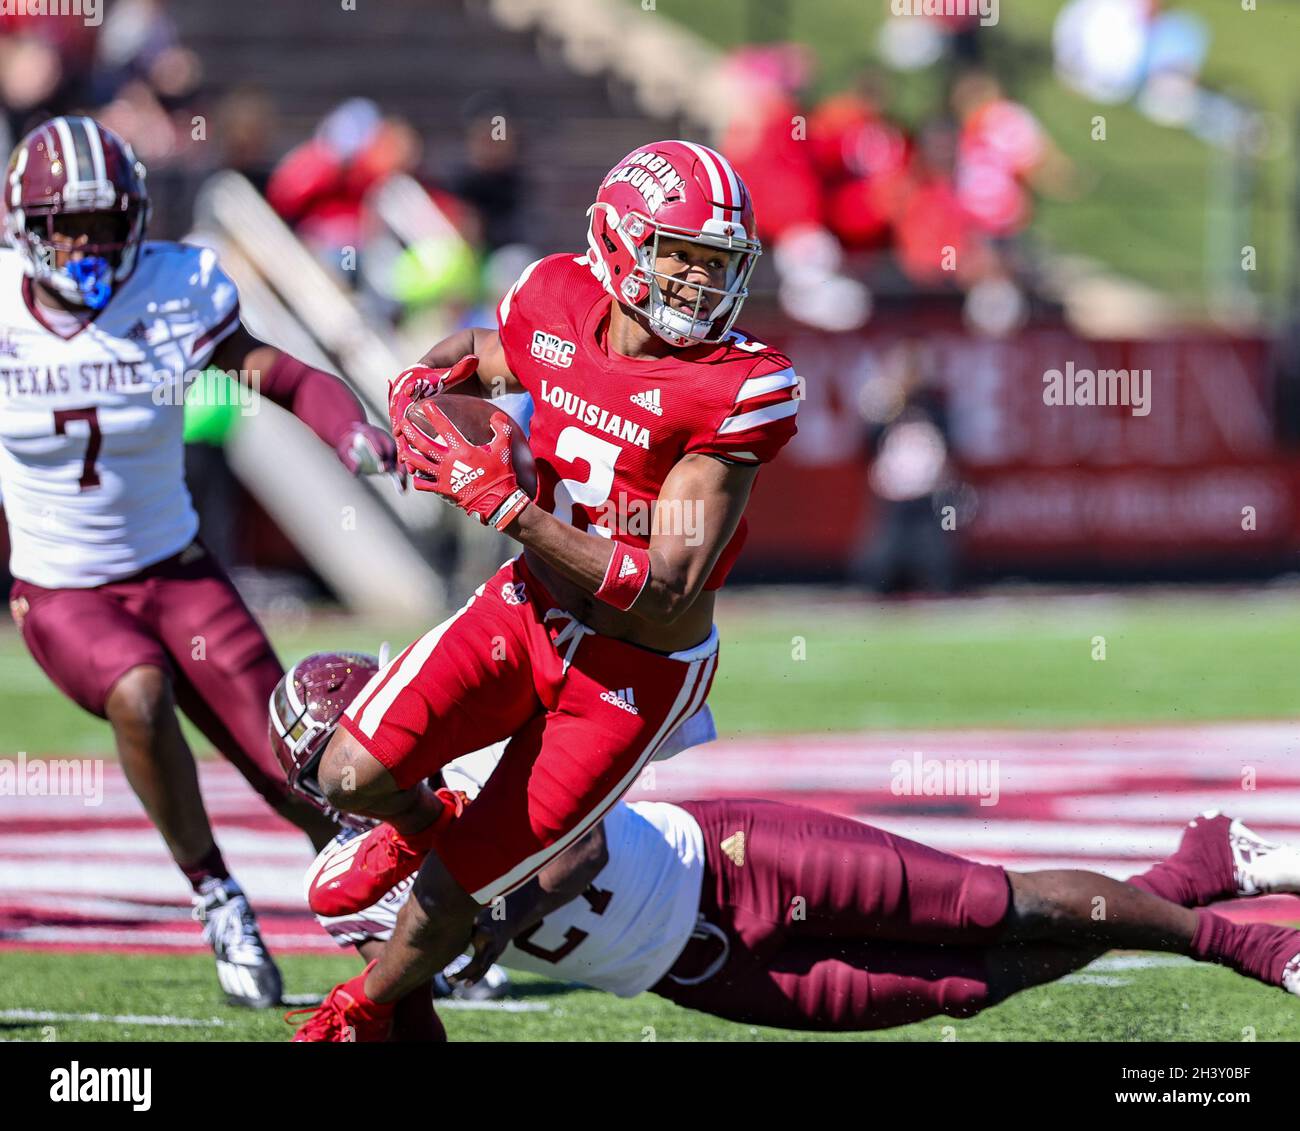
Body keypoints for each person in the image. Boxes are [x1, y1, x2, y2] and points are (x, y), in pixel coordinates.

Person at [293, 140, 801, 1036]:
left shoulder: (739, 386)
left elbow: (667, 584)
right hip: (531, 605)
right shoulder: (554, 296)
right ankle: (420, 820)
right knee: (348, 770)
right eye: (680, 257)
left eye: (717, 265)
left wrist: (510, 508)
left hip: (632, 670)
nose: (698, 284)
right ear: (616, 242)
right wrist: (422, 384)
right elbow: (490, 354)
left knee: (464, 886)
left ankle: (357, 1010)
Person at [278, 654, 1300, 1040]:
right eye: (342, 764)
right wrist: (385, 1007)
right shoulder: (344, 887)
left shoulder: (483, 750)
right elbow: (409, 998)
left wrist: (472, 925)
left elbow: (573, 858)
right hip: (693, 973)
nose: (367, 769)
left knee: (1001, 905)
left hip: (733, 862)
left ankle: (1249, 946)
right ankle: (1196, 869)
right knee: (973, 987)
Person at [0, 115, 398, 1008]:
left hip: (178, 573)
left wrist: (351, 431)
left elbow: (282, 375)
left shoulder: (176, 286)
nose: (91, 242)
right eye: (69, 223)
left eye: (106, 222)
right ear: (26, 227)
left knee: (306, 771)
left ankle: (406, 924)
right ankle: (218, 894)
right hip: (65, 591)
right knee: (137, 691)